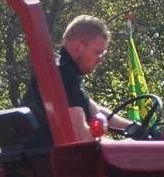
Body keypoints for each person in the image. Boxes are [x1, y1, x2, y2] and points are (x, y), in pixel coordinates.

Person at [21, 15, 136, 147]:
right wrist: (126, 147)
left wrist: (134, 127)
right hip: (54, 162)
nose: (101, 59)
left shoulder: (63, 73)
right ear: (79, 48)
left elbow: (96, 111)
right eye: (98, 52)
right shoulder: (62, 75)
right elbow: (80, 137)